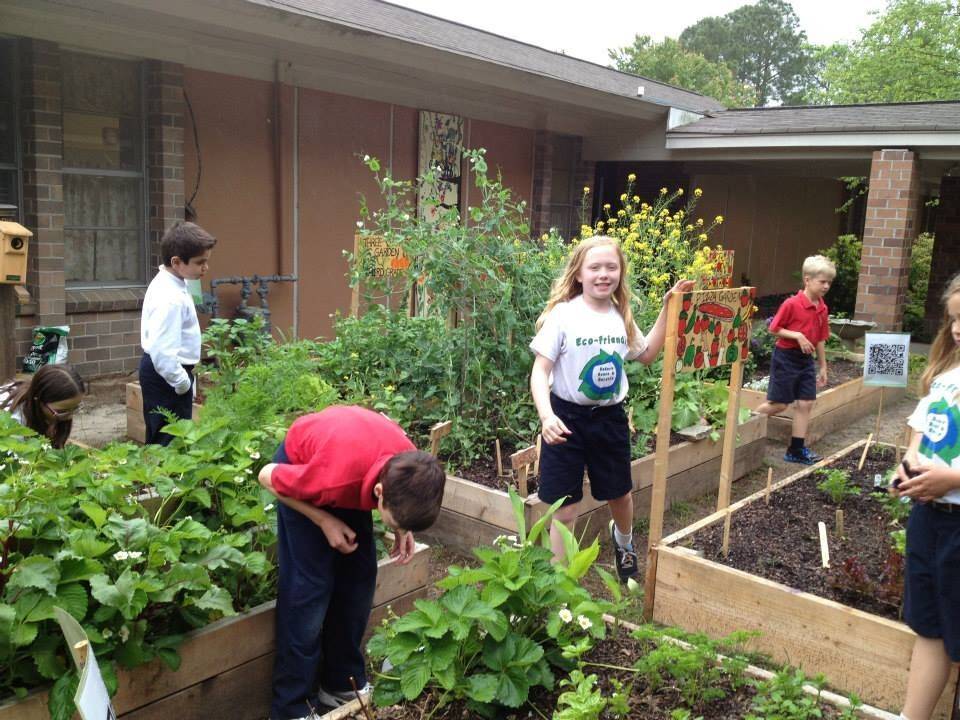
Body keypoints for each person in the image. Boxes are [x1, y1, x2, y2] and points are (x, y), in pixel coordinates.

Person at [257, 405, 446, 720]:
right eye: (392, 520)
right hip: (304, 470)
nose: (395, 527)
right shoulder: (331, 479)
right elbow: (266, 475)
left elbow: (400, 502)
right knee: (309, 592)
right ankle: (292, 706)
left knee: (359, 579)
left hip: (353, 468)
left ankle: (339, 684)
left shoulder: (412, 467)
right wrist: (323, 520)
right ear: (379, 492)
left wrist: (403, 527)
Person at [529, 234, 693, 582]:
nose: (603, 274)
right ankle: (559, 581)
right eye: (595, 268)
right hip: (565, 419)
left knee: (620, 494)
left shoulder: (620, 316)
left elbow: (646, 354)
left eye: (611, 267)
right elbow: (540, 371)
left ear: (620, 272)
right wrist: (546, 416)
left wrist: (668, 307)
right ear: (579, 274)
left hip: (609, 420)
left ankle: (624, 542)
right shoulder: (564, 316)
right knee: (564, 507)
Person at [893, 271, 960, 720]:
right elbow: (921, 432)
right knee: (930, 625)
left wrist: (952, 479)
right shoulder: (946, 376)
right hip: (929, 519)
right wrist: (910, 464)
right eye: (954, 319)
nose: (957, 329)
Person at [752, 255, 835, 464]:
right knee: (779, 405)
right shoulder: (791, 304)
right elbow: (773, 328)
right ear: (807, 280)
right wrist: (797, 335)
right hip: (786, 358)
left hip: (806, 360)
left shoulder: (822, 308)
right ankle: (743, 423)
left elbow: (820, 339)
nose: (826, 286)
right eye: (822, 282)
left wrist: (823, 366)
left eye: (829, 282)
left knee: (806, 402)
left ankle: (796, 450)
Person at [139, 221, 216, 445]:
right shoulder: (170, 298)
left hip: (164, 372)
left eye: (206, 261)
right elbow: (162, 353)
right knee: (170, 441)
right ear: (176, 261)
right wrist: (182, 383)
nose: (205, 268)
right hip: (167, 376)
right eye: (200, 262)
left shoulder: (173, 281)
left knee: (163, 435)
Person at [0, 363, 85, 448]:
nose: (69, 417)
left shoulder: (35, 397)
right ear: (38, 400)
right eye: (62, 411)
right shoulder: (13, 421)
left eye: (75, 408)